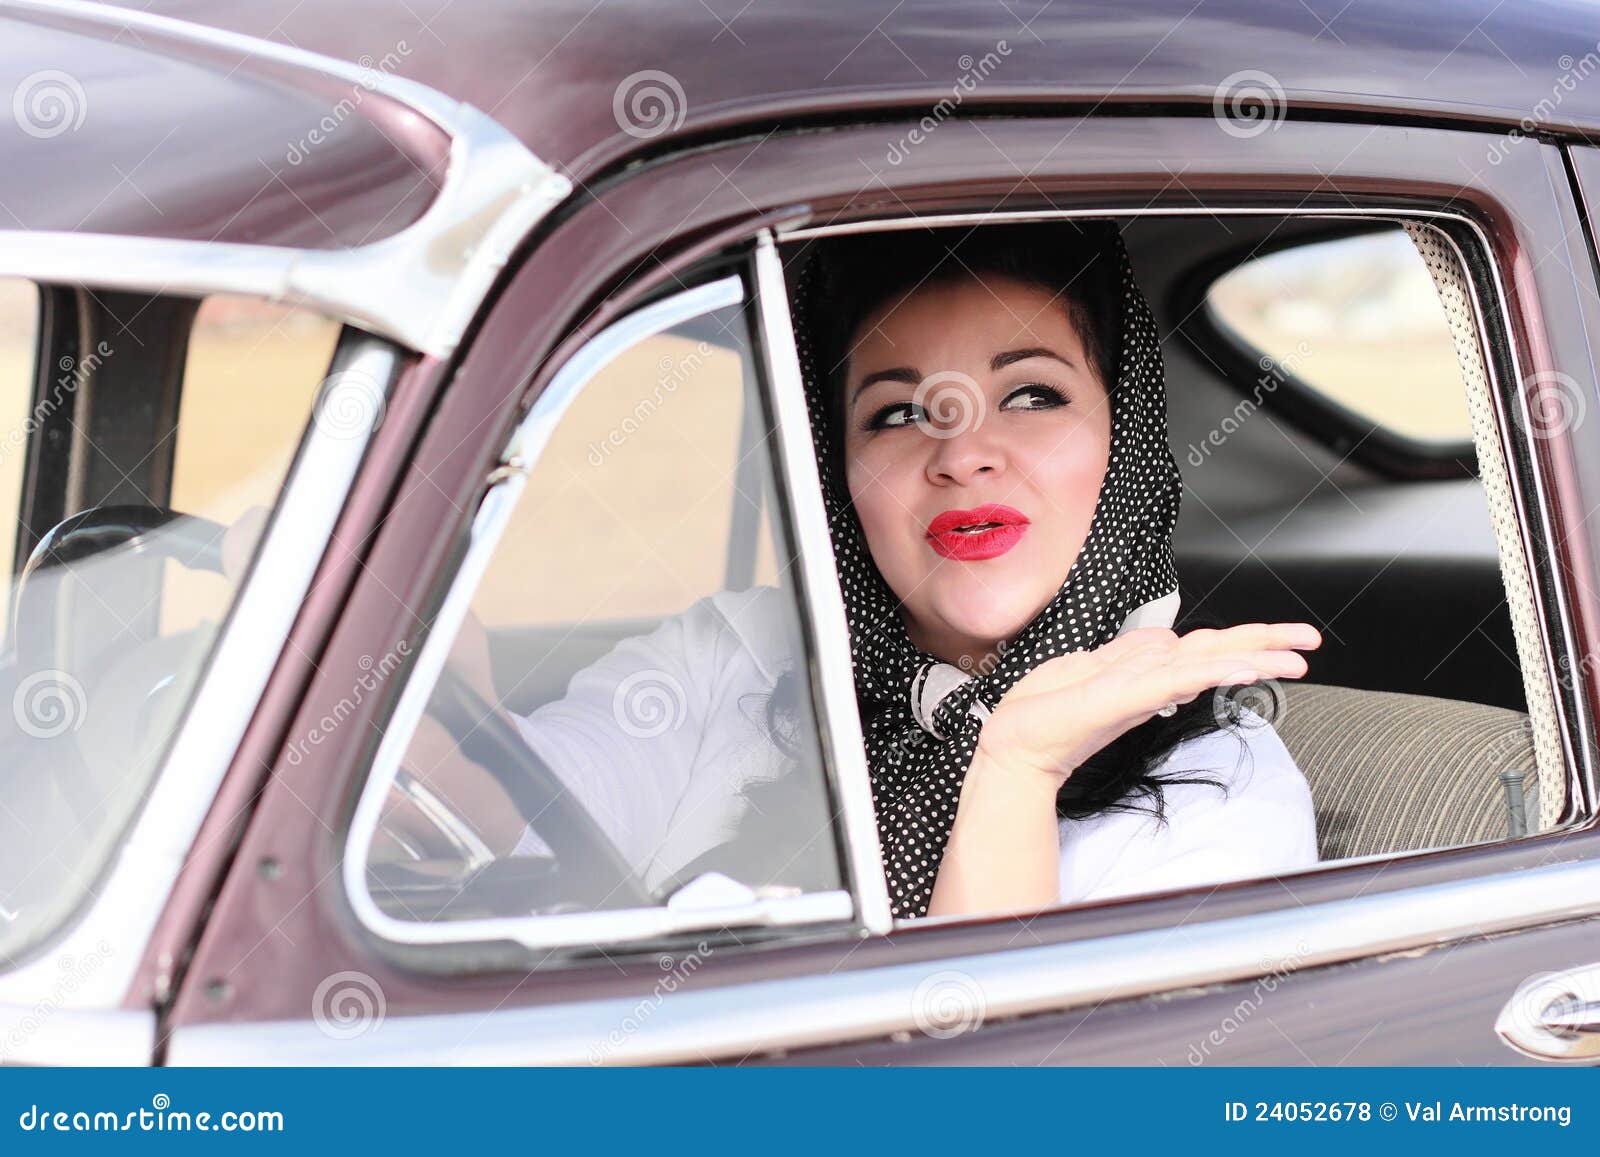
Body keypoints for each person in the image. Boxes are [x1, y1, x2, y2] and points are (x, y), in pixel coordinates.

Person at [377, 220, 1323, 922]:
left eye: (1031, 394)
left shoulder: (1222, 790)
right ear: (835, 471)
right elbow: (493, 834)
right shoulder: (737, 659)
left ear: (1126, 447)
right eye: (898, 413)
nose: (962, 455)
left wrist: (1016, 766)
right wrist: (421, 689)